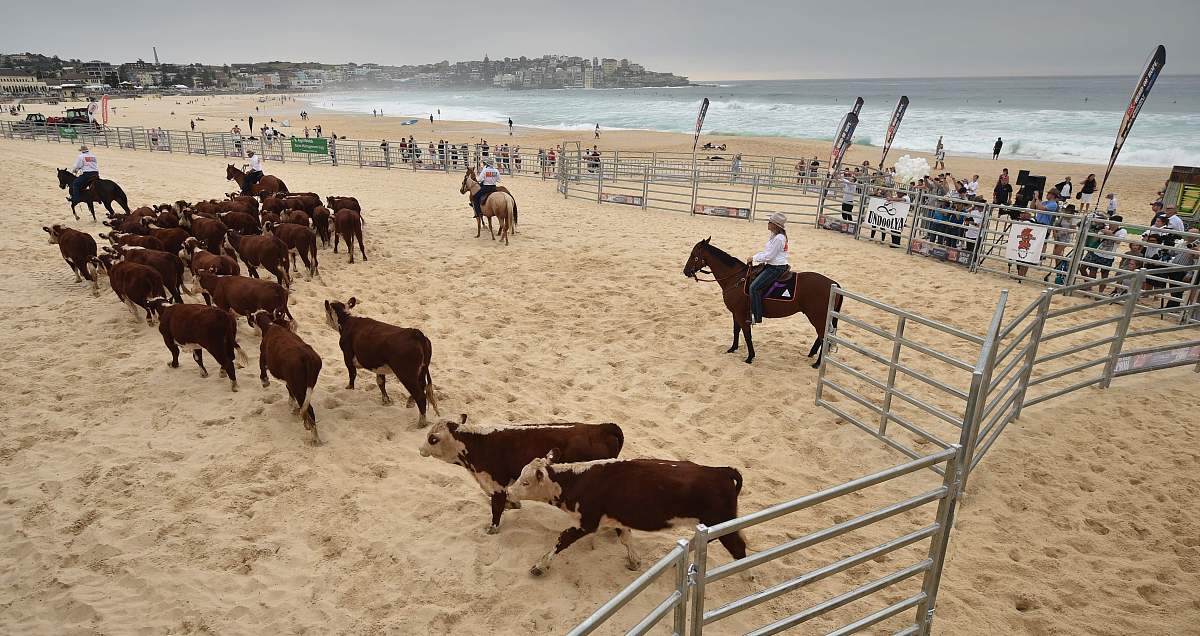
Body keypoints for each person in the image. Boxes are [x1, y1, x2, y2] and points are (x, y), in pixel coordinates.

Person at [748, 213, 790, 324]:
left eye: (770, 222)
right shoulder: (775, 236)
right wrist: (756, 256)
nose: (768, 224)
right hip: (772, 265)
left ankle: (757, 316)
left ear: (775, 225)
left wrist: (754, 257)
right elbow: (767, 253)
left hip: (776, 268)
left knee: (754, 288)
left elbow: (769, 256)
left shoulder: (778, 238)